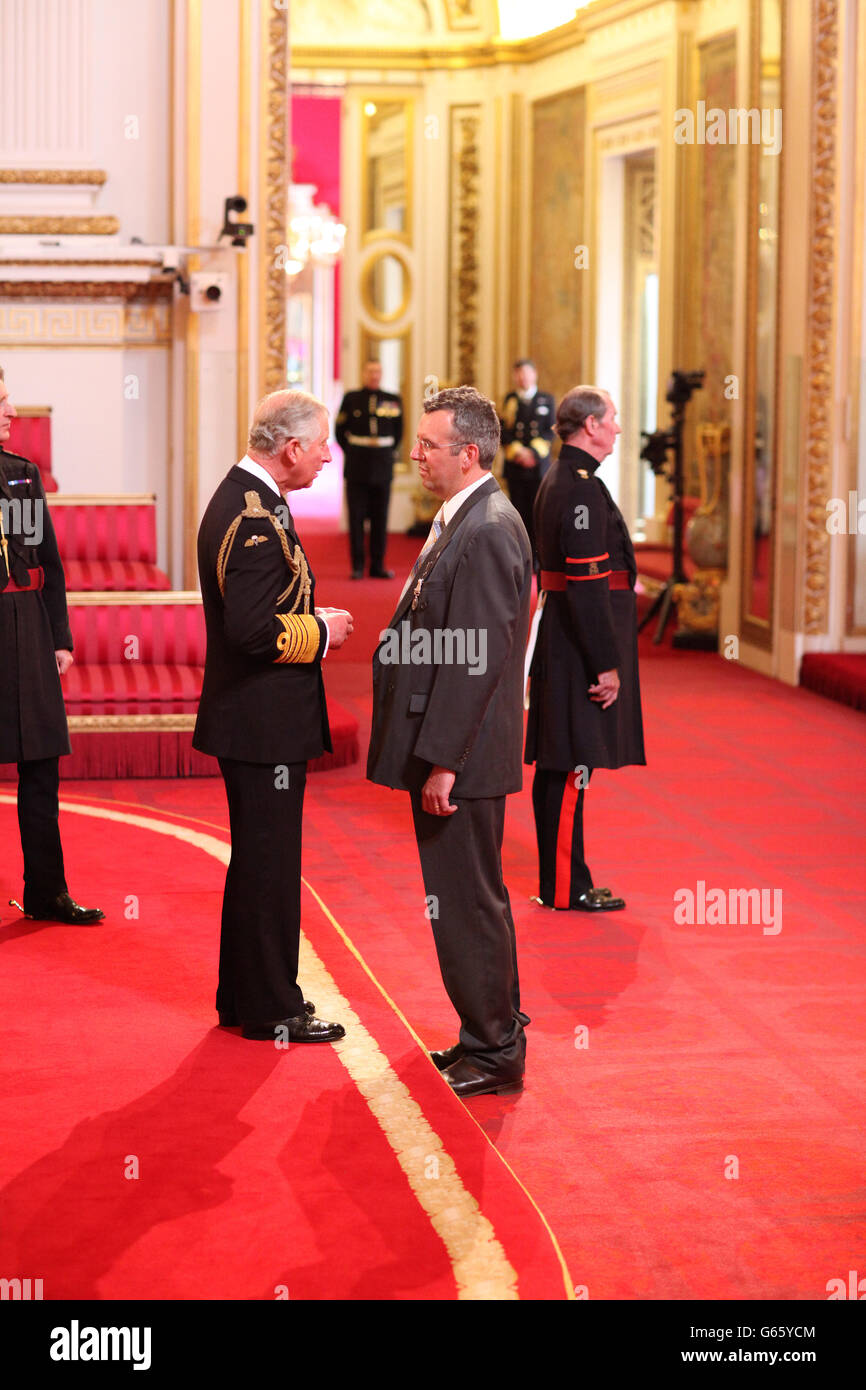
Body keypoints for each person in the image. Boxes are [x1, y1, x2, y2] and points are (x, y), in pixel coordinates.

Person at [367, 386, 532, 1099]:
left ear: (469, 454)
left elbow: (478, 659)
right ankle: (486, 1033)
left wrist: (442, 761)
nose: (415, 455)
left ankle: (495, 1051)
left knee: (468, 902)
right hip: (452, 751)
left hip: (460, 759)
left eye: (427, 445)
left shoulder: (489, 526)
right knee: (466, 897)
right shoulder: (465, 516)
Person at [193, 390, 352, 1043]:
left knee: (261, 861)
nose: (327, 456)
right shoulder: (253, 518)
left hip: (259, 719)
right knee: (269, 863)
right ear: (290, 449)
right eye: (321, 445)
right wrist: (321, 627)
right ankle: (270, 1006)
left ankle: (247, 996)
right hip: (261, 722)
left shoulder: (251, 500)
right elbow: (254, 633)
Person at [525, 386, 645, 911]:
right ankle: (565, 886)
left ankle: (566, 878)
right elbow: (588, 586)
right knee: (574, 764)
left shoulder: (569, 480)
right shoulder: (579, 490)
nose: (618, 427)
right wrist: (607, 663)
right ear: (591, 425)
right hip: (579, 648)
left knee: (562, 764)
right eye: (613, 418)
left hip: (565, 638)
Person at [0, 368, 103, 925]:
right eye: (2, 403)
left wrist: (59, 636)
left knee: (41, 765)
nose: (12, 413)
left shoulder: (21, 475)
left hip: (28, 625)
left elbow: (50, 561)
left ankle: (47, 891)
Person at [335, 360, 403, 580]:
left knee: (380, 517)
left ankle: (378, 565)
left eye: (377, 371)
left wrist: (385, 452)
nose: (374, 375)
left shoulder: (392, 400)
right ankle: (357, 565)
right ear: (363, 373)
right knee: (356, 518)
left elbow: (398, 432)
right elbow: (339, 430)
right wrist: (353, 451)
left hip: (382, 464)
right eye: (370, 371)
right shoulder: (351, 398)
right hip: (357, 465)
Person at [499, 359, 556, 562]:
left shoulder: (546, 399)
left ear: (534, 374)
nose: (522, 377)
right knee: (517, 512)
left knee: (537, 512)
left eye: (526, 373)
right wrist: (518, 452)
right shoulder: (510, 399)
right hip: (516, 465)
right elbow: (504, 430)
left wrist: (532, 453)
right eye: (518, 373)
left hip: (537, 466)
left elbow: (550, 431)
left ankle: (537, 558)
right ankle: (521, 557)